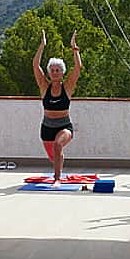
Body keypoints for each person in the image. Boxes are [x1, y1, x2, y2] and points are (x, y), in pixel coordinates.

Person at [33, 30, 82, 183]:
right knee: (54, 157)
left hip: (64, 125)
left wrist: (74, 48)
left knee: (58, 144)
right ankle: (58, 167)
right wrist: (42, 45)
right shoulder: (43, 86)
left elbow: (78, 68)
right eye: (52, 70)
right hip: (47, 127)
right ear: (49, 72)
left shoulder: (67, 87)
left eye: (58, 70)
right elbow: (35, 65)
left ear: (62, 73)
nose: (55, 73)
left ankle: (57, 179)